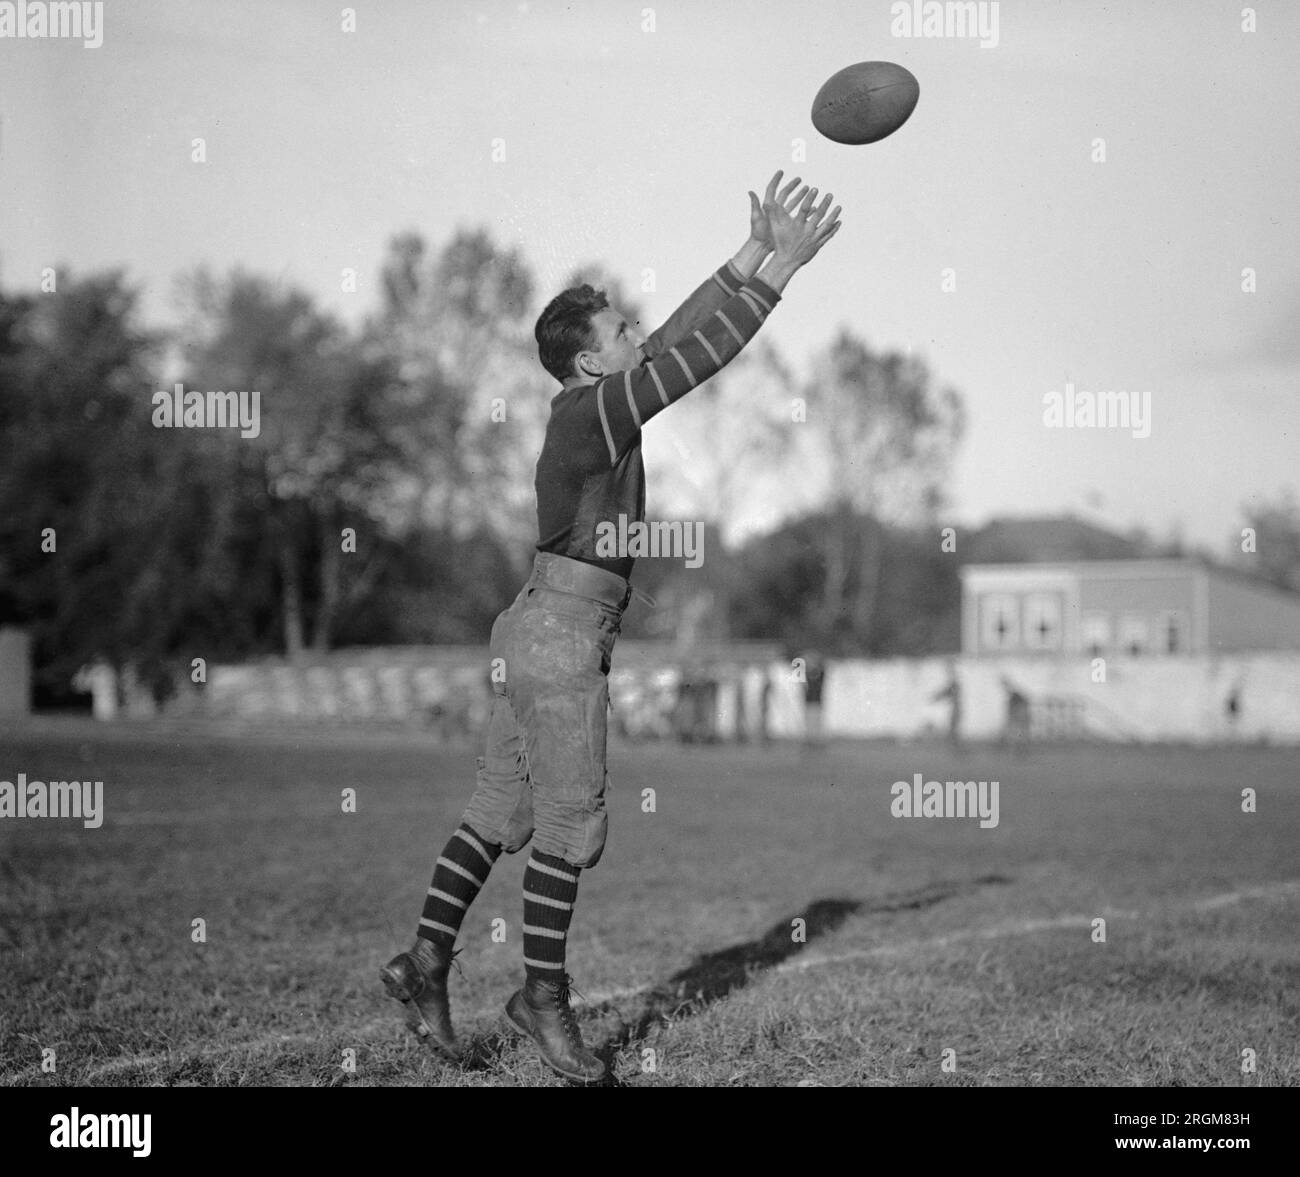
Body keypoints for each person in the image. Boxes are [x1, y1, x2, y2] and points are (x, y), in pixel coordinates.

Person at [380, 171, 843, 1083]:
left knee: (498, 811)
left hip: (528, 623)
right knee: (569, 829)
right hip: (559, 638)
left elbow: (671, 337)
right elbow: (695, 358)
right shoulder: (599, 409)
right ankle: (540, 999)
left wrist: (750, 251)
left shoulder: (592, 402)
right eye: (619, 331)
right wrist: (781, 274)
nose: (637, 333)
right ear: (592, 361)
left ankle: (425, 963)